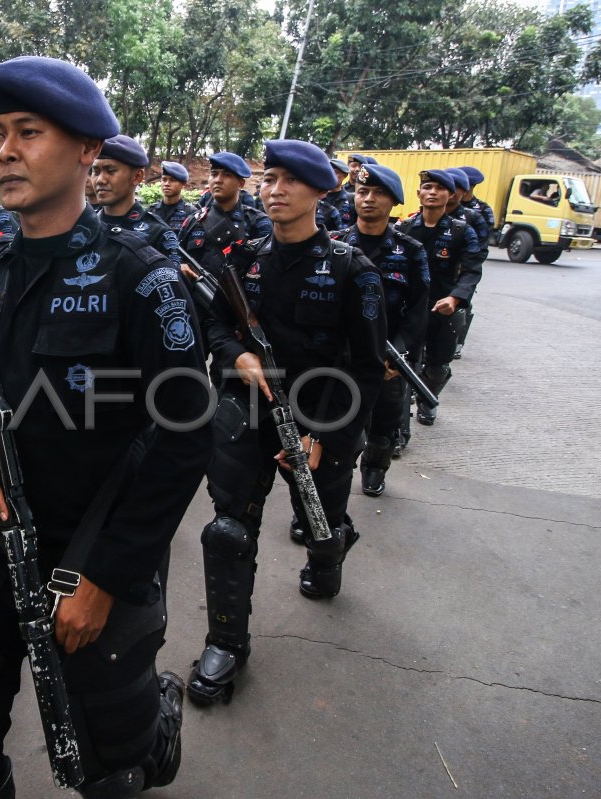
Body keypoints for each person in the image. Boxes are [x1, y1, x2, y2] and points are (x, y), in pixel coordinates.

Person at [0, 55, 207, 798]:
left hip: (90, 557)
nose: (2, 150)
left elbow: (185, 434)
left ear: (85, 152)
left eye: (28, 132)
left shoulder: (142, 279)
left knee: (111, 771)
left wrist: (106, 574)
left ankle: (154, 722)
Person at [187, 139, 386, 706]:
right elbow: (216, 326)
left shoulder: (355, 271)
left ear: (322, 192)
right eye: (268, 179)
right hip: (248, 411)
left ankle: (330, 556)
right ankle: (226, 640)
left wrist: (323, 433)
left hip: (323, 418)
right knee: (229, 529)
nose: (274, 190)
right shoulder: (244, 256)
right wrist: (235, 356)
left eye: (289, 181)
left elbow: (367, 370)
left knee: (318, 523)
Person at [331, 164, 429, 497]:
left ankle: (375, 467)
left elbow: (417, 310)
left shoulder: (411, 252)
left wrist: (399, 352)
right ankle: (327, 487)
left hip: (388, 356)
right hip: (340, 354)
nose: (368, 199)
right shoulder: (336, 244)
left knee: (384, 422)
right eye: (362, 192)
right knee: (333, 425)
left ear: (394, 202)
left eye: (378, 193)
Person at [396, 169, 483, 426]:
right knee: (403, 367)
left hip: (443, 309)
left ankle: (428, 399)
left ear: (450, 195)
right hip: (409, 309)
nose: (432, 192)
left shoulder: (462, 231)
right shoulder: (405, 227)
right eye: (428, 187)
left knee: (437, 366)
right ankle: (399, 430)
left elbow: (471, 270)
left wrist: (455, 299)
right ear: (418, 194)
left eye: (439, 188)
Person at [90, 134, 181, 269]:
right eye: (96, 171)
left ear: (137, 176)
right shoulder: (85, 227)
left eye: (110, 171)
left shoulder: (158, 234)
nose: (100, 180)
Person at [179, 151, 271, 277]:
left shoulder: (258, 222)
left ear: (240, 183)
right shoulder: (194, 220)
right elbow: (176, 255)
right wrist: (180, 266)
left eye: (226, 175)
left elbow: (266, 270)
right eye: (214, 174)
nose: (218, 180)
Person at [456, 166, 492, 357]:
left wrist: (467, 266)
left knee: (463, 304)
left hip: (465, 266)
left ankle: (457, 343)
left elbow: (482, 245)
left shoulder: (481, 211)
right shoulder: (445, 207)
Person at [147, 160, 196, 231]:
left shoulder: (190, 213)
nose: (167, 184)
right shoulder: (151, 211)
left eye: (172, 180)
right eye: (164, 179)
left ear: (183, 184)